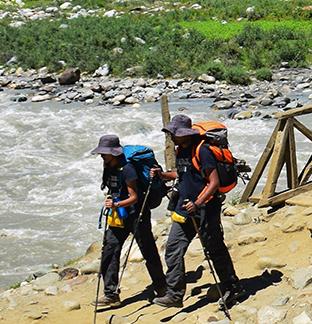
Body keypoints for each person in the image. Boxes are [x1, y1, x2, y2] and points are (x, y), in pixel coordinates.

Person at [154, 114, 246, 308]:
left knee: (215, 250)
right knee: (172, 250)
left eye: (176, 133)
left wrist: (197, 203)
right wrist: (163, 175)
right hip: (184, 210)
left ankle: (233, 287)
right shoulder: (180, 150)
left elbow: (214, 183)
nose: (172, 136)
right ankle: (175, 294)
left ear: (187, 134)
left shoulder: (202, 150)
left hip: (204, 209)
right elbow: (182, 174)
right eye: (171, 133)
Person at [90, 133, 167, 308]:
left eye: (104, 153)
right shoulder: (108, 165)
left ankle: (161, 287)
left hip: (136, 213)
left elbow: (133, 197)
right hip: (118, 215)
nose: (101, 156)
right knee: (109, 250)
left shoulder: (128, 169)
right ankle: (111, 294)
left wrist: (116, 203)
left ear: (114, 153)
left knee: (147, 249)